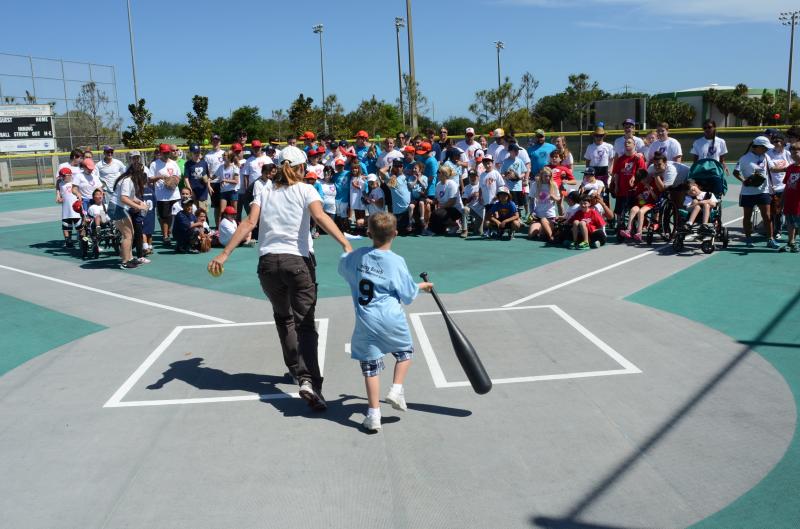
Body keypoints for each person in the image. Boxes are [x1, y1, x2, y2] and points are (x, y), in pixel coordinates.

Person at [208, 146, 352, 411]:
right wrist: (345, 243)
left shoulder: (264, 190)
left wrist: (225, 254)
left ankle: (297, 371)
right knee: (305, 324)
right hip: (297, 262)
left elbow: (249, 223)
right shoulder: (306, 190)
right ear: (299, 169)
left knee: (284, 318)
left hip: (267, 265)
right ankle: (309, 383)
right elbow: (319, 217)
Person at [338, 212, 433, 431]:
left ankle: (373, 414)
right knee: (405, 352)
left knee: (370, 366)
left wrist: (347, 253)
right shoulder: (396, 261)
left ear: (369, 233)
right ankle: (396, 389)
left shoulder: (357, 256)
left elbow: (343, 268)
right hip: (391, 317)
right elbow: (407, 295)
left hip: (366, 320)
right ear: (395, 234)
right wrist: (421, 286)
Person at [734, 136, 777, 248]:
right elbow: (736, 172)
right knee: (747, 217)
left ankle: (770, 239)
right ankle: (748, 239)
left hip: (763, 191)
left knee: (767, 216)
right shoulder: (744, 158)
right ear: (758, 147)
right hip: (748, 193)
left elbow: (772, 169)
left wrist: (788, 168)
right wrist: (744, 181)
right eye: (765, 148)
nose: (767, 150)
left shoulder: (766, 156)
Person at [111, 162, 148, 269]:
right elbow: (124, 198)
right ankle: (125, 261)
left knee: (130, 233)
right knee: (128, 236)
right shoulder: (127, 180)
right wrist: (139, 207)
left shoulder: (129, 180)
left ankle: (130, 258)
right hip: (117, 209)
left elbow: (131, 197)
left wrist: (139, 202)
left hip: (119, 208)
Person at [149, 143, 181, 247]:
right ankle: (165, 236)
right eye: (165, 153)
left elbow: (178, 176)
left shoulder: (173, 163)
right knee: (164, 217)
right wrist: (160, 177)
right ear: (161, 153)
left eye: (168, 152)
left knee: (174, 215)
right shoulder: (155, 164)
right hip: (162, 195)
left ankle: (174, 234)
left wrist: (173, 182)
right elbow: (150, 178)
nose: (167, 154)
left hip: (174, 194)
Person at [611, 137, 647, 218]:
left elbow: (643, 174)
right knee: (619, 210)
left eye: (629, 142)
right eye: (626, 142)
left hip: (634, 190)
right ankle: (620, 224)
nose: (627, 143)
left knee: (634, 209)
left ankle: (633, 226)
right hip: (622, 189)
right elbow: (617, 173)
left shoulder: (639, 159)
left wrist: (635, 178)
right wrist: (616, 185)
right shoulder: (620, 159)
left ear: (634, 145)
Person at [619, 170, 658, 243]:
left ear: (647, 177)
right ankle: (628, 230)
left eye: (643, 180)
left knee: (641, 212)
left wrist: (650, 190)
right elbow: (638, 195)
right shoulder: (640, 184)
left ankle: (639, 232)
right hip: (641, 203)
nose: (642, 182)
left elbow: (656, 198)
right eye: (641, 180)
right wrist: (639, 197)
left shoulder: (654, 183)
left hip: (650, 203)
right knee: (633, 209)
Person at [767, 135, 791, 239]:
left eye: (778, 141)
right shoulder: (769, 154)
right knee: (776, 211)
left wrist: (786, 170)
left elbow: (793, 166)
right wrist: (785, 169)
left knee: (788, 211)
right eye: (774, 141)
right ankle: (777, 231)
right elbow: (771, 169)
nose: (776, 143)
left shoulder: (787, 153)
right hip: (773, 187)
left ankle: (790, 229)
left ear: (783, 143)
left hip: (786, 186)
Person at [778, 141, 800, 252]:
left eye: (796, 152)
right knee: (790, 223)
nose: (793, 155)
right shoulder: (790, 168)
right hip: (790, 202)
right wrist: (782, 201)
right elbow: (787, 186)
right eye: (792, 153)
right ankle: (791, 242)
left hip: (799, 203)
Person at [528, 167, 560, 242]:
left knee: (544, 222)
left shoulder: (553, 184)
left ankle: (551, 237)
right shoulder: (535, 184)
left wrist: (553, 197)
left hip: (550, 215)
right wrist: (532, 212)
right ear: (541, 175)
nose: (548, 178)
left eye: (549, 176)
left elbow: (558, 198)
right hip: (538, 215)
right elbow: (531, 200)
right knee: (531, 234)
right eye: (546, 176)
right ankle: (542, 230)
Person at [429, 165, 463, 235]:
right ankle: (438, 229)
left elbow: (452, 202)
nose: (437, 174)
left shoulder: (452, 184)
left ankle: (455, 225)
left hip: (455, 209)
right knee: (435, 214)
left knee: (438, 213)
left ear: (444, 174)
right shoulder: (438, 184)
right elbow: (436, 200)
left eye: (439, 172)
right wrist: (430, 201)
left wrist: (441, 207)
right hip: (445, 208)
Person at [583, 126, 615, 197]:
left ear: (604, 136)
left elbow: (612, 159)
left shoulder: (609, 146)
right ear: (594, 136)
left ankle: (605, 206)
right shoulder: (590, 147)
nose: (599, 137)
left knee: (604, 193)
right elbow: (588, 161)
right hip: (593, 171)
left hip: (604, 171)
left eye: (601, 135)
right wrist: (586, 173)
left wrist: (611, 169)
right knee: (591, 191)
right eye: (597, 135)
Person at [385, 159, 412, 232]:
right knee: (397, 231)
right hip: (397, 213)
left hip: (407, 211)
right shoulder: (390, 178)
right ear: (393, 167)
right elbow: (381, 171)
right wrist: (390, 166)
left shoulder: (407, 176)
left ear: (402, 167)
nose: (398, 168)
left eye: (400, 166)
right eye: (396, 166)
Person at [57, 167, 81, 248]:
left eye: (64, 176)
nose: (62, 177)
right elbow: (58, 192)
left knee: (80, 226)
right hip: (66, 209)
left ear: (69, 175)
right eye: (61, 176)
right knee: (66, 226)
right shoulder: (60, 183)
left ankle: (83, 239)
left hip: (76, 209)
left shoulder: (75, 182)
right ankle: (68, 240)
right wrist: (59, 198)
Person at [500, 144, 527, 212]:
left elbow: (524, 172)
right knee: (512, 206)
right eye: (515, 150)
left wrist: (519, 177)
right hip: (510, 188)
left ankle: (519, 218)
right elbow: (502, 174)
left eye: (517, 150)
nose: (517, 152)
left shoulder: (520, 161)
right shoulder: (505, 161)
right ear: (510, 151)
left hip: (519, 187)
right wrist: (507, 177)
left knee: (520, 206)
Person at [205, 133, 225, 226]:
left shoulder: (224, 153)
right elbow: (207, 171)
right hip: (214, 183)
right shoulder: (208, 155)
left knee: (225, 206)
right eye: (214, 140)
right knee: (217, 207)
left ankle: (225, 225)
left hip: (224, 182)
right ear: (212, 142)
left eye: (217, 140)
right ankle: (218, 226)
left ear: (220, 142)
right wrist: (208, 184)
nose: (215, 142)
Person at [185, 144, 212, 213]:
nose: (197, 154)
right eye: (195, 152)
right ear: (191, 153)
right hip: (193, 191)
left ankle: (204, 223)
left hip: (203, 192)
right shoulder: (188, 164)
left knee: (203, 212)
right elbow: (186, 178)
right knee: (193, 212)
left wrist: (208, 185)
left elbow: (208, 176)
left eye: (198, 152)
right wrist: (190, 190)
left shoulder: (204, 163)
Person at [216, 151, 240, 224]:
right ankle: (219, 229)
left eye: (225, 155)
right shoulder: (221, 167)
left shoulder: (235, 167)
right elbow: (213, 176)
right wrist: (208, 179)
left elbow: (236, 181)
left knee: (234, 210)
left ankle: (235, 227)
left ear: (230, 157)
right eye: (223, 155)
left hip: (233, 191)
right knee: (222, 211)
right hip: (223, 191)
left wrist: (224, 180)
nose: (223, 156)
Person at [462, 169, 483, 236]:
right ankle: (465, 230)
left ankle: (474, 225)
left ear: (478, 176)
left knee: (479, 233)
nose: (473, 178)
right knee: (464, 209)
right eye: (471, 176)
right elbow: (465, 202)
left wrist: (480, 195)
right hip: (472, 210)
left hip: (481, 212)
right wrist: (472, 196)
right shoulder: (466, 187)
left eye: (474, 176)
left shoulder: (482, 185)